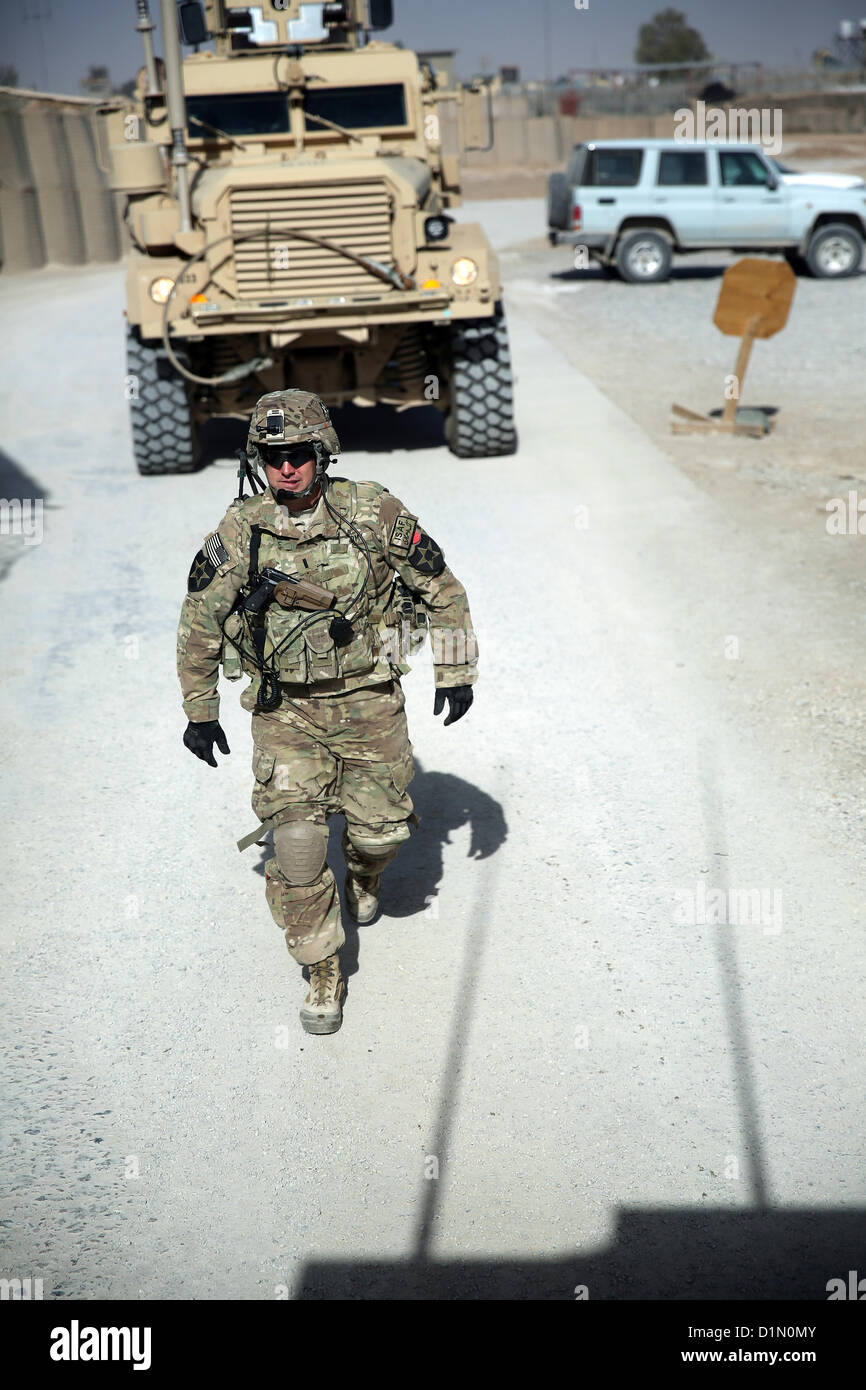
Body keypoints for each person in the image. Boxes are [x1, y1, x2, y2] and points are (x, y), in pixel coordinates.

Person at [177, 389, 478, 1035]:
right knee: (298, 845)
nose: (287, 468)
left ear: (323, 453)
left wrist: (454, 670)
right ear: (260, 460)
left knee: (382, 833)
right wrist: (200, 709)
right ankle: (322, 968)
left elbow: (442, 589)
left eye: (299, 455)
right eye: (274, 456)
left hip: (370, 701)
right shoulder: (242, 527)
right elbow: (199, 618)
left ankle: (365, 877)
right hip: (286, 713)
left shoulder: (371, 509)